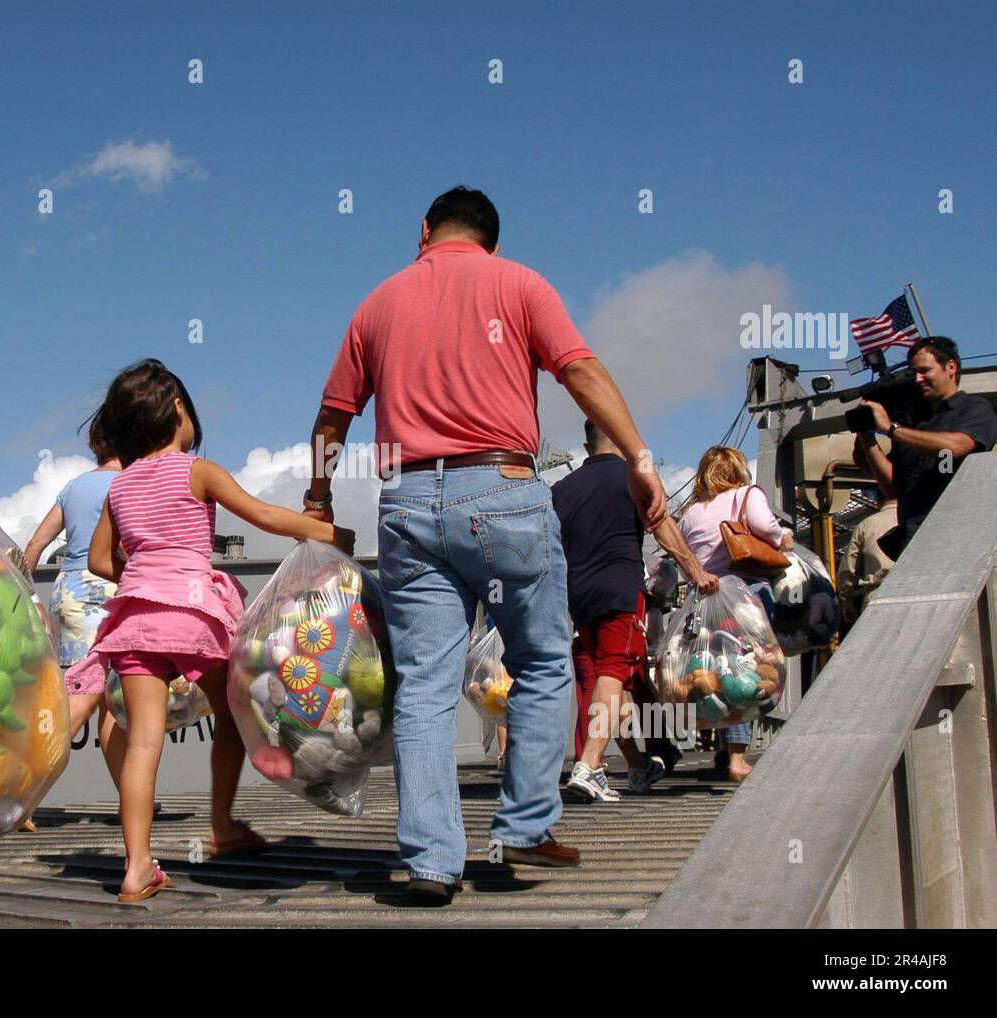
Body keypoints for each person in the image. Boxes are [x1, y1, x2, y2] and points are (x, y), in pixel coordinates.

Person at [305, 186, 666, 905]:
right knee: (541, 662)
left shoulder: (376, 304)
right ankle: (527, 825)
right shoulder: (519, 282)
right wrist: (639, 457)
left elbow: (333, 416)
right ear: (492, 242)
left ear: (424, 230)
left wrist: (318, 497)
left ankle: (434, 862)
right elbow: (581, 373)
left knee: (426, 688)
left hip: (407, 501)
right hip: (502, 494)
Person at [64, 360, 354, 901]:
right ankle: (222, 826)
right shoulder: (197, 470)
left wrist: (145, 576)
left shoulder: (119, 486)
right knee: (233, 716)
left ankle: (137, 867)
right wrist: (328, 532)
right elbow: (264, 516)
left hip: (134, 621)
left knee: (143, 744)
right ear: (177, 411)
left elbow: (101, 561)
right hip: (196, 616)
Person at [555, 421, 718, 802]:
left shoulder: (561, 490)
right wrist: (696, 572)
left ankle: (637, 767)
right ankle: (589, 765)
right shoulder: (634, 475)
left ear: (586, 445)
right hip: (620, 590)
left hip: (579, 596)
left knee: (614, 682)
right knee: (615, 673)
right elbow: (661, 525)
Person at [20, 418, 123, 830]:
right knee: (80, 702)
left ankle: (131, 802)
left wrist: (28, 596)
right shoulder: (129, 483)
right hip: (107, 590)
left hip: (68, 591)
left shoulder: (74, 486)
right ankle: (19, 798)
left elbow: (33, 547)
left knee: (116, 702)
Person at [677, 446, 791, 783]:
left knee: (719, 672)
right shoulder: (746, 494)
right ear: (737, 470)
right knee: (748, 672)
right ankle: (738, 760)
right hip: (747, 595)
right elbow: (764, 527)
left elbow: (683, 561)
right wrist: (782, 539)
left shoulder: (690, 512)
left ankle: (725, 750)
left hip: (706, 599)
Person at [855, 336, 997, 558]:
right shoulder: (914, 426)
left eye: (925, 370)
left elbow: (954, 447)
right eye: (914, 373)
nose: (918, 379)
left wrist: (891, 429)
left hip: (957, 536)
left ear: (951, 367)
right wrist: (867, 438)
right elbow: (893, 487)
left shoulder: (974, 408)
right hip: (914, 538)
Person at [837, 494, 898, 624]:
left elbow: (848, 569)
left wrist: (846, 601)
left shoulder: (866, 525)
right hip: (913, 591)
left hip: (876, 595)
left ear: (878, 503)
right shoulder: (914, 519)